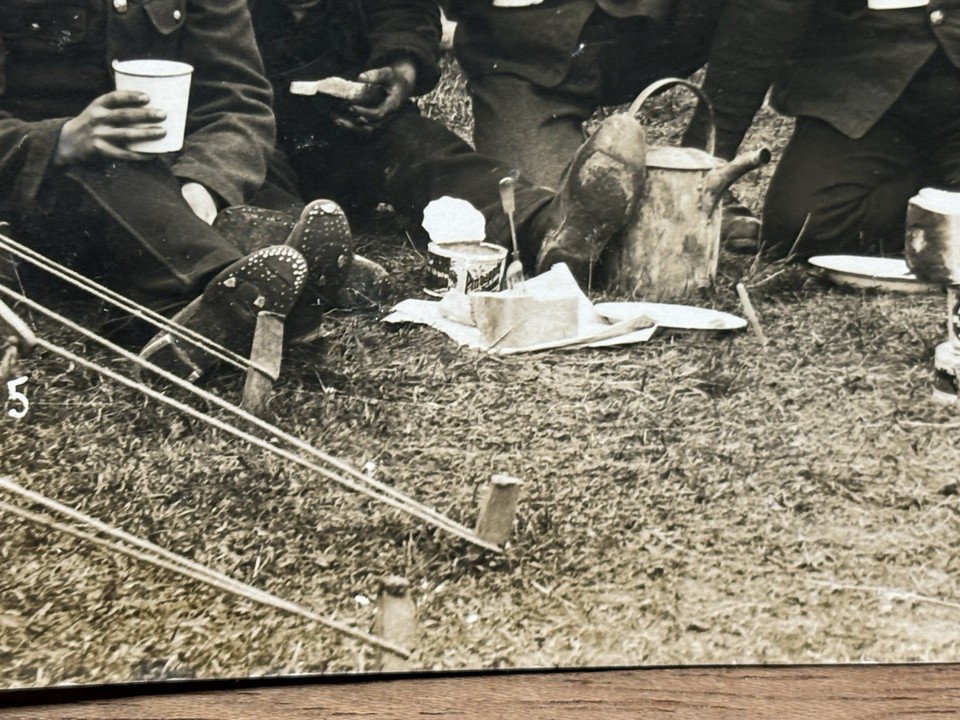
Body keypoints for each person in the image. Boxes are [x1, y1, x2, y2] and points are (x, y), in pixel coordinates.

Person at [0, 0, 352, 380]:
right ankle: (248, 300)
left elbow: (237, 99)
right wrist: (59, 140)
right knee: (115, 177)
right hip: (40, 183)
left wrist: (204, 183)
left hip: (172, 176)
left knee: (252, 187)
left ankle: (226, 293)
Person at [247, 0, 648, 289]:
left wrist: (401, 64)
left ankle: (549, 227)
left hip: (352, 129)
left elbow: (403, 10)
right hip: (258, 140)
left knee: (432, 155)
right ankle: (306, 257)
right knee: (252, 184)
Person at [684, 0, 960, 259]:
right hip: (869, 81)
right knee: (802, 228)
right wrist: (701, 166)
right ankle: (940, 195)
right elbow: (762, 24)